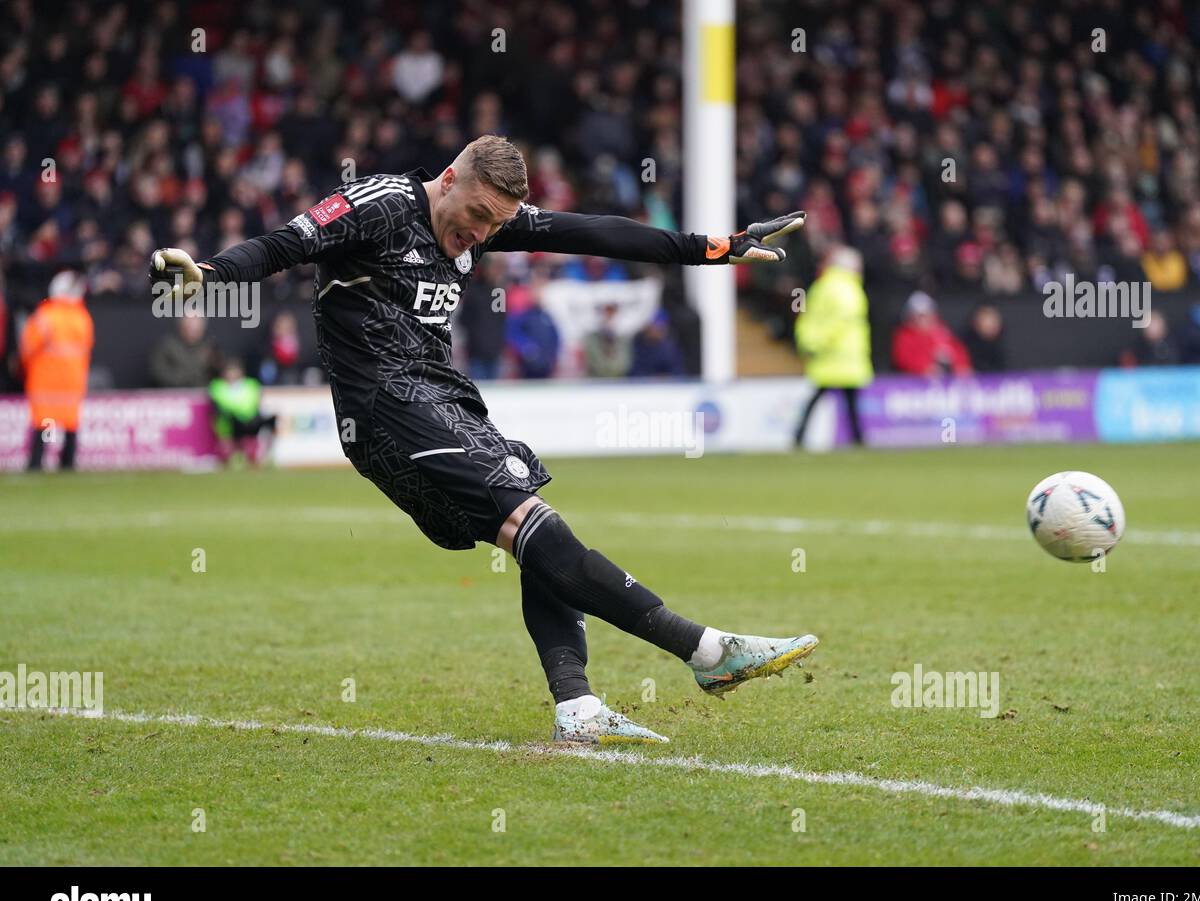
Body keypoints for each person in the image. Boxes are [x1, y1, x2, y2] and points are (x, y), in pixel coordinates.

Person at [150, 135, 817, 745]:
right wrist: (210, 275)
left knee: (535, 529)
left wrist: (713, 246)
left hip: (444, 400)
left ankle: (576, 708)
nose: (481, 233)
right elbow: (281, 245)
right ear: (448, 180)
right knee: (531, 520)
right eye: (476, 215)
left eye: (496, 225)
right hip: (385, 404)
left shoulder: (484, 223)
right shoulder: (377, 206)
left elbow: (591, 234)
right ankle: (704, 651)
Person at [792, 246, 871, 448]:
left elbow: (809, 318)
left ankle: (799, 436)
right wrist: (821, 343)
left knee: (819, 398)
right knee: (849, 401)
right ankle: (858, 440)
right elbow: (841, 322)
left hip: (829, 356)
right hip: (843, 356)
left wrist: (809, 342)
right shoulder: (848, 288)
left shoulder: (822, 286)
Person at [20, 271, 94, 472]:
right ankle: (68, 463)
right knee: (70, 423)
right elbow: (87, 350)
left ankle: (37, 462)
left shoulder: (45, 316)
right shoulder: (83, 318)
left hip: (46, 381)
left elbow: (27, 348)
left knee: (44, 422)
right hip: (72, 382)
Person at [210, 356, 278, 466]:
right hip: (230, 425)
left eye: (234, 371)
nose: (232, 375)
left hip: (248, 423)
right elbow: (220, 408)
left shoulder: (251, 385)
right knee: (234, 421)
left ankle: (267, 454)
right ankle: (235, 454)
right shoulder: (217, 387)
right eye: (229, 371)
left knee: (270, 420)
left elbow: (254, 405)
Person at [891, 291, 972, 377]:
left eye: (927, 314)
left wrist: (960, 366)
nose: (924, 319)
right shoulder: (904, 335)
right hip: (915, 381)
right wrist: (924, 368)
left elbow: (958, 350)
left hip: (948, 381)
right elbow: (903, 359)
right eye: (920, 316)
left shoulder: (942, 332)